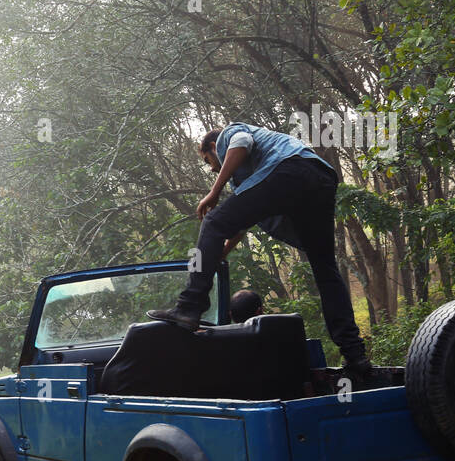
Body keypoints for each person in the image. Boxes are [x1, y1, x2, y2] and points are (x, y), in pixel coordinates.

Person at [148, 123, 373, 381]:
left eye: (207, 160)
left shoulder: (231, 134)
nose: (211, 167)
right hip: (320, 178)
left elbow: (241, 142)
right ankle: (355, 355)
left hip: (290, 168)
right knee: (326, 270)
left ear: (213, 146)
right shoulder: (248, 176)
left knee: (212, 220)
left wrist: (214, 191)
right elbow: (241, 222)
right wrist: (217, 254)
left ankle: (188, 308)